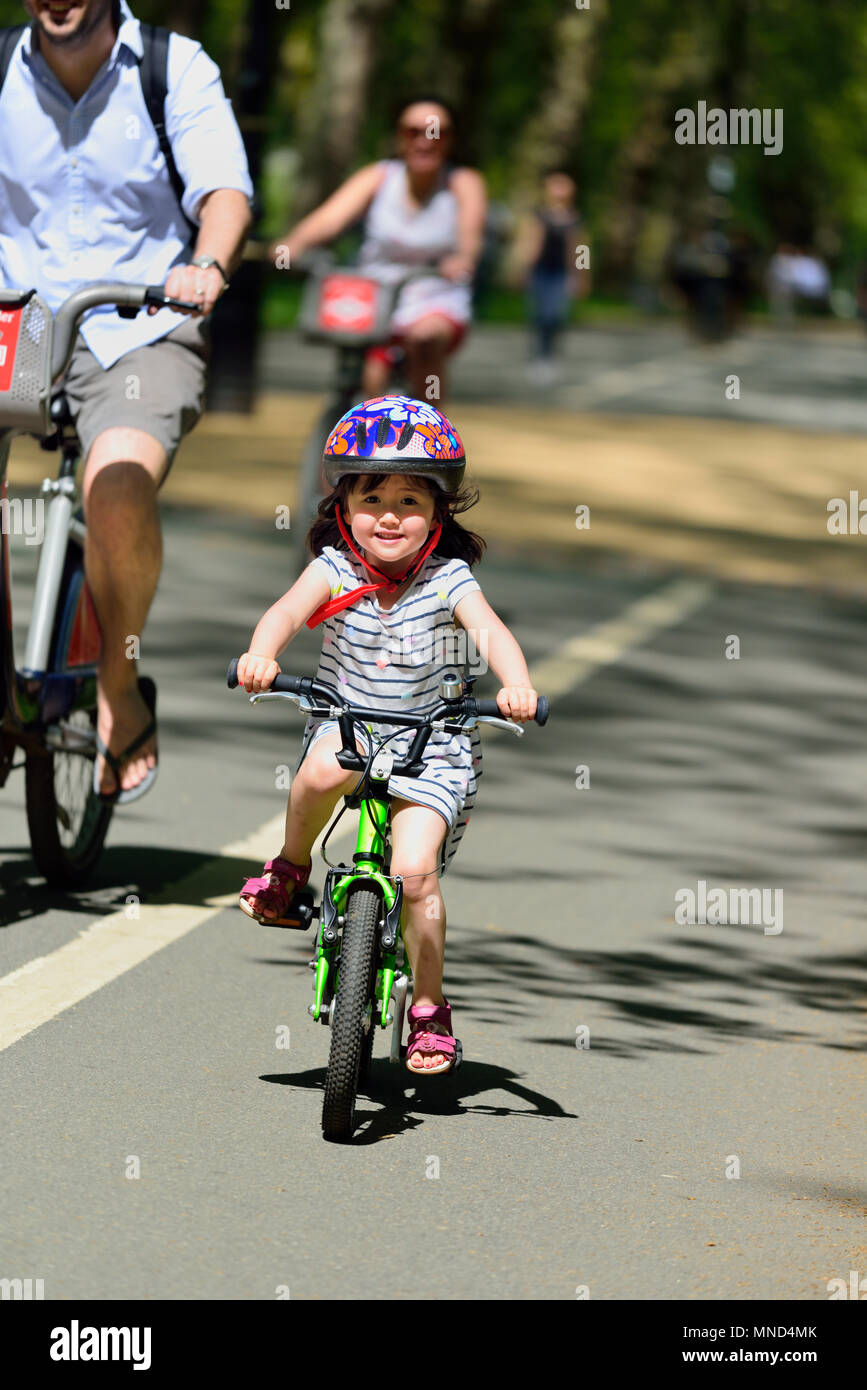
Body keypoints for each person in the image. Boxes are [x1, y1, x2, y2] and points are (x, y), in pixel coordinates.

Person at [235, 396, 538, 1075]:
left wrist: (514, 685)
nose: (390, 516)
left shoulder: (447, 578)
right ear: (341, 506)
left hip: (434, 743)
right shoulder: (334, 567)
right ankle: (289, 871)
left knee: (415, 875)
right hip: (348, 726)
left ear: (438, 513)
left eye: (410, 500)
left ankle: (428, 1011)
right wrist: (262, 655)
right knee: (317, 775)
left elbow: (490, 633)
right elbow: (286, 613)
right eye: (372, 497)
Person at [0, 0, 253, 800]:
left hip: (138, 326)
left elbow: (224, 193)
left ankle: (118, 681)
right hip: (19, 327)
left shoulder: (173, 68)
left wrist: (206, 266)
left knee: (115, 485)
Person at [271, 97, 487, 401]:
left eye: (436, 132)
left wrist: (463, 259)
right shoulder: (380, 177)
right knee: (371, 379)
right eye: (413, 132)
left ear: (450, 139)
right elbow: (329, 219)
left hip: (434, 294)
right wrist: (291, 245)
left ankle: (432, 425)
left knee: (425, 340)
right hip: (377, 297)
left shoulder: (463, 183)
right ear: (399, 137)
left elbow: (471, 236)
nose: (425, 141)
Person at [510, 170, 587, 384]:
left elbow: (580, 250)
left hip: (562, 273)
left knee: (556, 315)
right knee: (540, 315)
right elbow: (527, 244)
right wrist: (522, 269)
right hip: (540, 271)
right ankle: (539, 357)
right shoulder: (538, 216)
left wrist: (580, 276)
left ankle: (552, 355)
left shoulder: (575, 219)